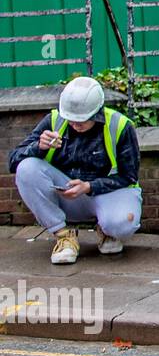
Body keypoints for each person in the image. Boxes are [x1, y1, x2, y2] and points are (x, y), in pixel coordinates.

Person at [8, 77, 141, 264]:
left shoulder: (119, 125)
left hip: (106, 195)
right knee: (27, 168)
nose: (75, 125)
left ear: (97, 112)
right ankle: (63, 235)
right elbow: (13, 161)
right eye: (71, 120)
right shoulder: (54, 120)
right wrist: (39, 147)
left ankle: (107, 230)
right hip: (66, 195)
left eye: (82, 120)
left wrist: (89, 186)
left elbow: (129, 176)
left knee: (124, 222)